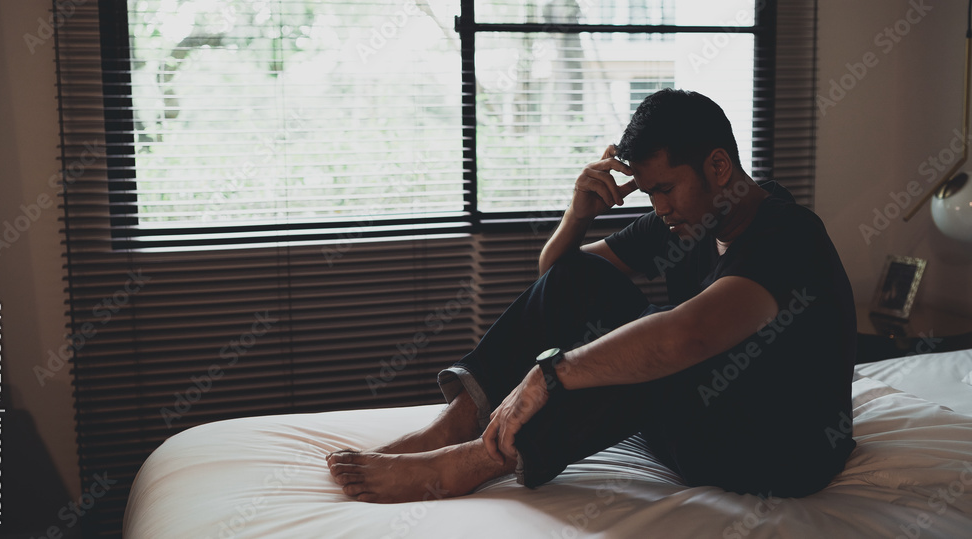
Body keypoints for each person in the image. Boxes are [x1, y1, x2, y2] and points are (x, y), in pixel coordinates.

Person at [327, 89, 857, 504]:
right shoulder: (684, 220)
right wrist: (578, 216)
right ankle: (461, 420)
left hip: (777, 451)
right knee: (607, 304)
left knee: (658, 343)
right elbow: (561, 284)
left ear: (718, 167)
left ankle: (474, 461)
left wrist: (549, 373)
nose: (659, 206)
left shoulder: (788, 235)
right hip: (698, 425)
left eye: (666, 188)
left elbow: (689, 337)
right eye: (649, 193)